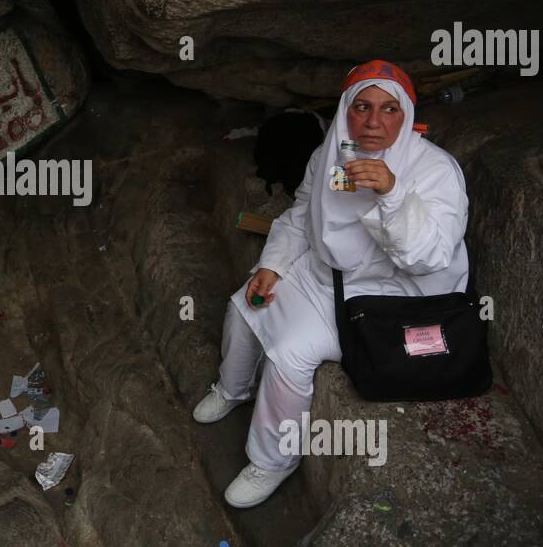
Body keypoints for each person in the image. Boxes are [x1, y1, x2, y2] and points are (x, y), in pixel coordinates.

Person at [193, 60, 471, 508]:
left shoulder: (436, 169)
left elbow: (429, 258)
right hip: (331, 272)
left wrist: (392, 193)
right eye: (362, 107)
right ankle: (233, 388)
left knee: (290, 353)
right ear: (345, 110)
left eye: (389, 109)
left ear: (406, 115)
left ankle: (272, 460)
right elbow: (301, 214)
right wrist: (274, 265)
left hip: (390, 295)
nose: (374, 121)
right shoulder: (330, 154)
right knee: (246, 304)